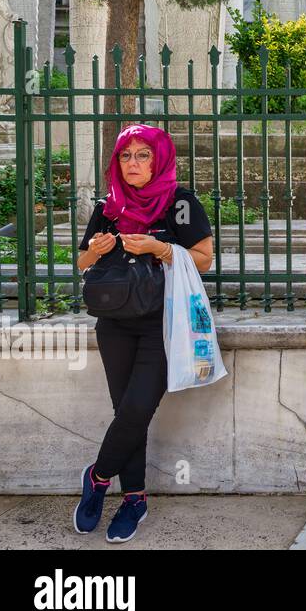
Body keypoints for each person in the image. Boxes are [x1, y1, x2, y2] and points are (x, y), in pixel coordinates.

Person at [72, 123, 214, 542]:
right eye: (125, 155)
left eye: (143, 155)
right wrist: (94, 251)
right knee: (126, 414)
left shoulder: (180, 203)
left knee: (136, 410)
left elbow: (204, 258)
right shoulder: (109, 205)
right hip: (114, 322)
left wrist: (160, 248)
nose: (132, 163)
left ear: (159, 159)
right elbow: (82, 263)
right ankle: (134, 499)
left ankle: (97, 477)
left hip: (162, 322)